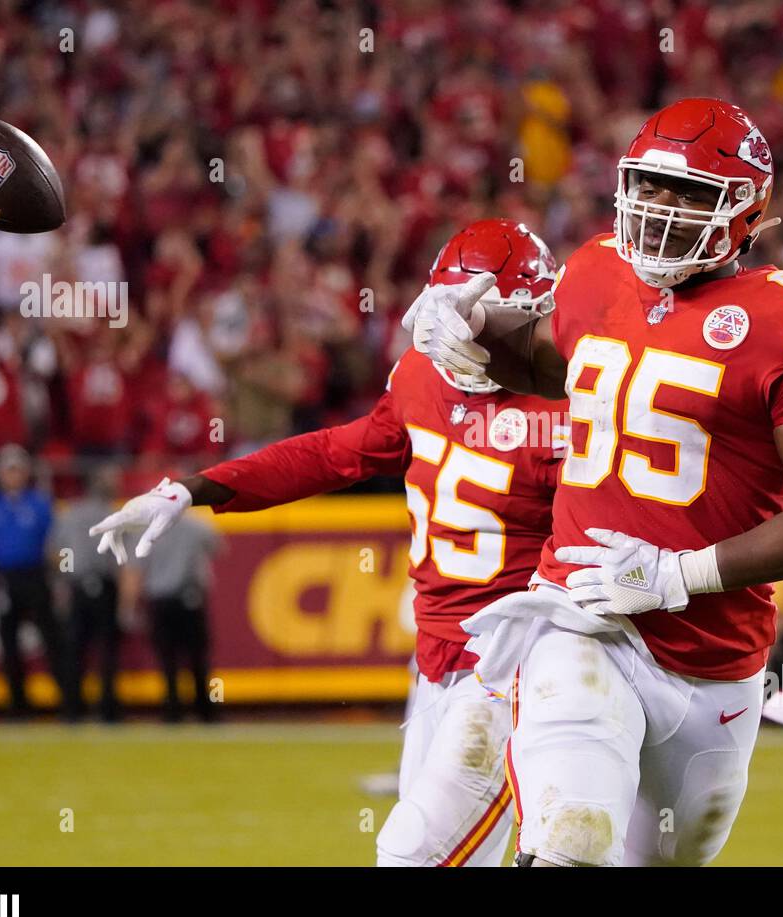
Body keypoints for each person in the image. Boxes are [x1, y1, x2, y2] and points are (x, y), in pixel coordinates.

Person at [403, 98, 783, 866]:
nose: (661, 209)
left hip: (715, 659)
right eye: (650, 187)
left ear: (745, 208)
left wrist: (680, 573)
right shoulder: (598, 272)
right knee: (568, 838)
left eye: (689, 193)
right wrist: (458, 325)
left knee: (660, 858)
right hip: (583, 613)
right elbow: (544, 361)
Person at [89, 220, 566, 867]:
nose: (466, 329)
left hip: (517, 664)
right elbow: (330, 454)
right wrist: (195, 489)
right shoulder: (421, 379)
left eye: (483, 315)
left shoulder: (576, 407)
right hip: (436, 667)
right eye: (457, 310)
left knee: (409, 854)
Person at [0, 444, 76, 718]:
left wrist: (62, 576)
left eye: (17, 470)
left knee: (53, 640)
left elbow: (58, 544)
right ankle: (18, 705)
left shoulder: (40, 503)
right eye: (8, 470)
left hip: (36, 576)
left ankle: (69, 703)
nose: (13, 475)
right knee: (9, 643)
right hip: (5, 579)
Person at [123, 512, 221, 722]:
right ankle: (207, 713)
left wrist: (128, 607)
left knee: (167, 660)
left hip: (159, 601)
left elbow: (135, 570)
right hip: (190, 599)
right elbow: (218, 548)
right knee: (198, 661)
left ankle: (173, 712)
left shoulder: (145, 529)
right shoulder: (198, 525)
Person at [50, 465, 126, 722]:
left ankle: (72, 710)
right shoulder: (114, 514)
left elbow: (55, 552)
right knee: (107, 651)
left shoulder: (70, 513)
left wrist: (64, 579)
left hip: (77, 586)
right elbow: (125, 562)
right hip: (105, 587)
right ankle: (108, 711)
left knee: (74, 651)